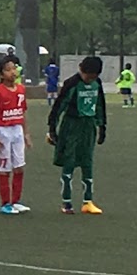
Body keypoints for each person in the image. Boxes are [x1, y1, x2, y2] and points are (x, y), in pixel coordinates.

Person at [48, 55, 107, 215]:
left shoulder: (97, 84)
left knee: (87, 161)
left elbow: (100, 104)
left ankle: (88, 201)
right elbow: (59, 106)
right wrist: (52, 128)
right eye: (88, 76)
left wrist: (102, 127)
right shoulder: (72, 83)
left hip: (88, 126)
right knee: (69, 160)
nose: (89, 79)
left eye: (93, 77)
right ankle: (66, 202)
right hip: (72, 125)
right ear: (81, 70)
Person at [0, 54, 32, 214]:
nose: (12, 72)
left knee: (19, 167)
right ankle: (5, 203)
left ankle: (16, 201)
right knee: (4, 168)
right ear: (1, 74)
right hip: (3, 131)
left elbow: (23, 111)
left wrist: (26, 133)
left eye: (14, 68)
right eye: (8, 70)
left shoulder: (21, 89)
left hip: (17, 131)